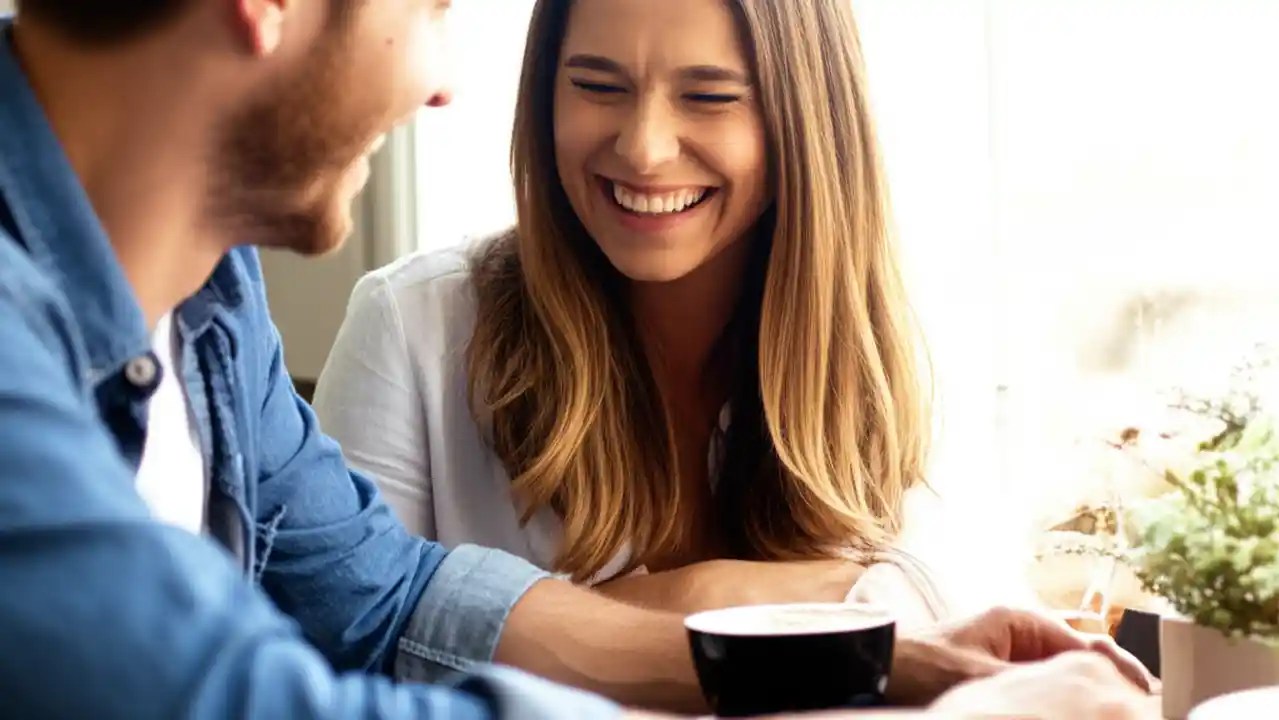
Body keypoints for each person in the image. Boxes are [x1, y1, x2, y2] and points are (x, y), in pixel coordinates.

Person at [0, 1, 1154, 718]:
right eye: (432, 3)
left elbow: (392, 600)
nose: (442, 81)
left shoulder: (214, 292)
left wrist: (885, 666)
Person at [315, 0, 941, 620]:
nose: (644, 150)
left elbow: (945, 607)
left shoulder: (881, 349)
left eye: (709, 97)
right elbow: (345, 661)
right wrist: (703, 598)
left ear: (806, 117)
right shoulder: (411, 328)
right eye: (596, 85)